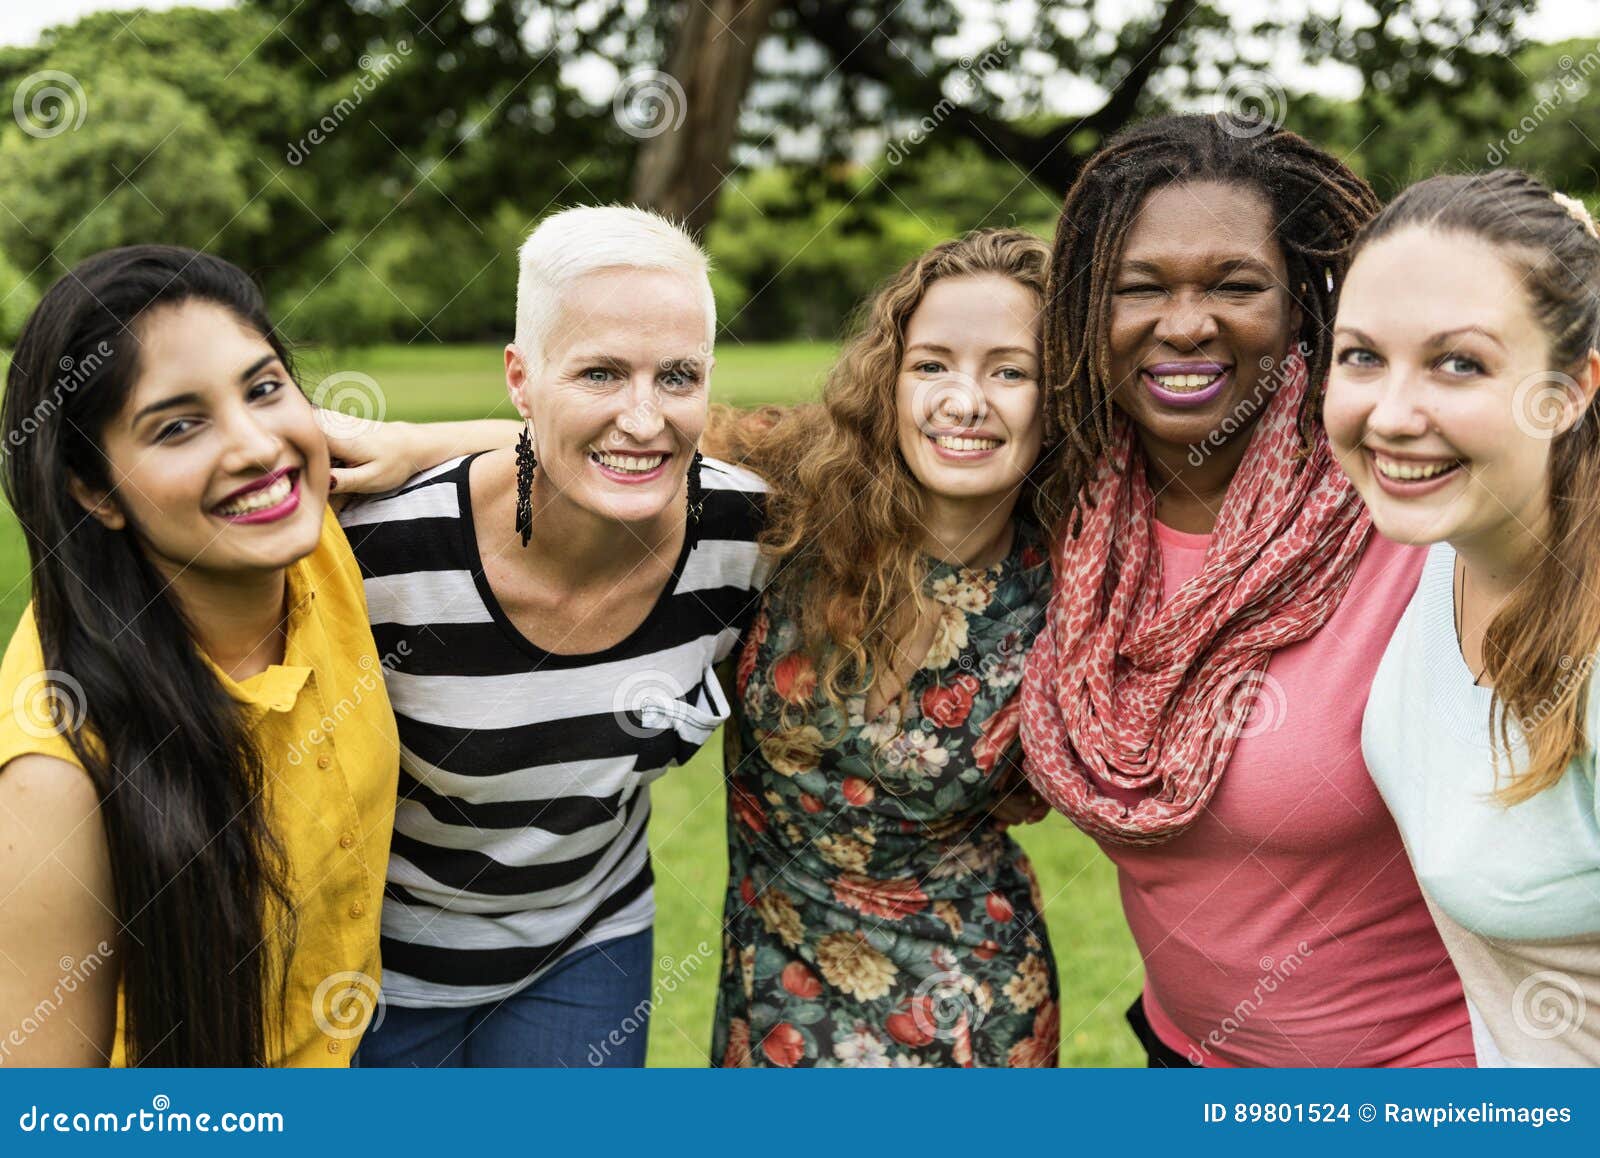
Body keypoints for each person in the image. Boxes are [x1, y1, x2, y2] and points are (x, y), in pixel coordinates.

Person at [1019, 114, 1474, 1067]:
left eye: (1235, 285)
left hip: (1429, 1073)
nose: (1186, 324)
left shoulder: (1410, 517)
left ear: (1304, 304)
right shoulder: (1063, 513)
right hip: (1185, 1055)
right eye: (1139, 287)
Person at [343, 206, 768, 1067]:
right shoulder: (380, 553)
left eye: (677, 376)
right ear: (521, 378)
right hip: (378, 969)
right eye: (599, 373)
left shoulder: (745, 538)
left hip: (587, 948)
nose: (644, 419)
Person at [0, 246, 400, 1066]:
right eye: (178, 426)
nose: (256, 446)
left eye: (264, 388)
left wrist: (415, 443)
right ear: (94, 491)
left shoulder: (308, 522)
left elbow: (556, 449)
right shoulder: (54, 776)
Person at [707, 229, 1059, 1067]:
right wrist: (413, 446)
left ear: (1061, 399)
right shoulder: (796, 496)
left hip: (972, 1001)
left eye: (1010, 372)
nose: (963, 402)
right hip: (773, 991)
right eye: (931, 365)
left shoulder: (1071, 583)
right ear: (888, 382)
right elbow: (614, 447)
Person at [1325, 169, 1600, 1065]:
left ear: (1569, 390)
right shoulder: (1443, 543)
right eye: (1361, 355)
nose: (1392, 415)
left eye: (1460, 364)